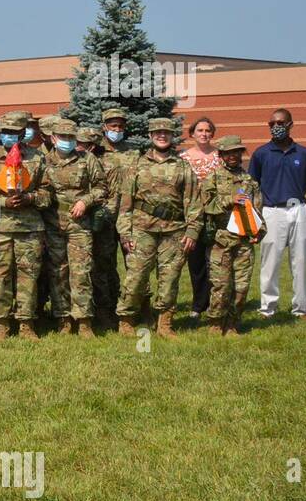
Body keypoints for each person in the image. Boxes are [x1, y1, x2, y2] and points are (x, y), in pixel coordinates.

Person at [115, 118, 202, 338]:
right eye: (157, 132)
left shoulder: (183, 166)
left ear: (172, 136)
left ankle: (165, 323)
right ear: (150, 136)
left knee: (170, 278)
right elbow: (125, 204)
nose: (162, 136)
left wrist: (192, 231)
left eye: (166, 132)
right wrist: (125, 233)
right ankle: (126, 319)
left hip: (174, 231)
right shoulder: (137, 165)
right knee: (136, 276)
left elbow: (193, 202)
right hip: (142, 229)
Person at [0, 111, 53, 341]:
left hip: (29, 229)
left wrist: (31, 199)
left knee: (28, 277)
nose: (9, 136)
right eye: (5, 132)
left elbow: (49, 193)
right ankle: (1, 324)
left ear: (23, 133)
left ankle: (26, 324)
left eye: (13, 132)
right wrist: (3, 202)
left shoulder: (38, 159)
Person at [43, 119, 106, 337]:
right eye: (63, 137)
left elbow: (101, 188)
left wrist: (85, 201)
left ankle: (84, 320)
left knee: (81, 271)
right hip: (53, 225)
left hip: (79, 226)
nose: (67, 141)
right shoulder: (43, 161)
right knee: (58, 272)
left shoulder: (87, 159)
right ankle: (63, 319)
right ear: (53, 138)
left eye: (71, 138)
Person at [250, 107, 306, 319]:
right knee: (270, 262)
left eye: (280, 123)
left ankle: (301, 308)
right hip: (272, 211)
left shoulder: (303, 153)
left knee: (301, 262)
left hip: (299, 210)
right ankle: (268, 308)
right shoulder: (261, 153)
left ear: (290, 124)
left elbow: (304, 184)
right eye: (271, 124)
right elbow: (254, 185)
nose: (275, 127)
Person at [202, 136, 265, 336]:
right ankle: (215, 323)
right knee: (221, 286)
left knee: (241, 287)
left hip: (244, 242)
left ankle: (232, 323)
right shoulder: (212, 178)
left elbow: (257, 209)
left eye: (236, 152)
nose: (233, 156)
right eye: (228, 153)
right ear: (221, 155)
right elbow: (205, 206)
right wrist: (230, 200)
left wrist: (259, 231)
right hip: (221, 240)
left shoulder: (249, 181)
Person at [93, 107, 139, 328]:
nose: (117, 129)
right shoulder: (95, 152)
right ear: (104, 127)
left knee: (135, 264)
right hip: (105, 218)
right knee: (104, 266)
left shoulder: (134, 152)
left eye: (120, 126)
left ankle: (138, 309)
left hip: (130, 218)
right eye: (113, 126)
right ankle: (105, 310)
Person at [180, 117, 221, 317]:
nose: (204, 133)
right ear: (193, 134)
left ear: (212, 133)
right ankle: (198, 305)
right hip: (192, 217)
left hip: (217, 217)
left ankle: (217, 302)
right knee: (196, 264)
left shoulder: (220, 156)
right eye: (200, 130)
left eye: (207, 130)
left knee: (216, 262)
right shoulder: (183, 158)